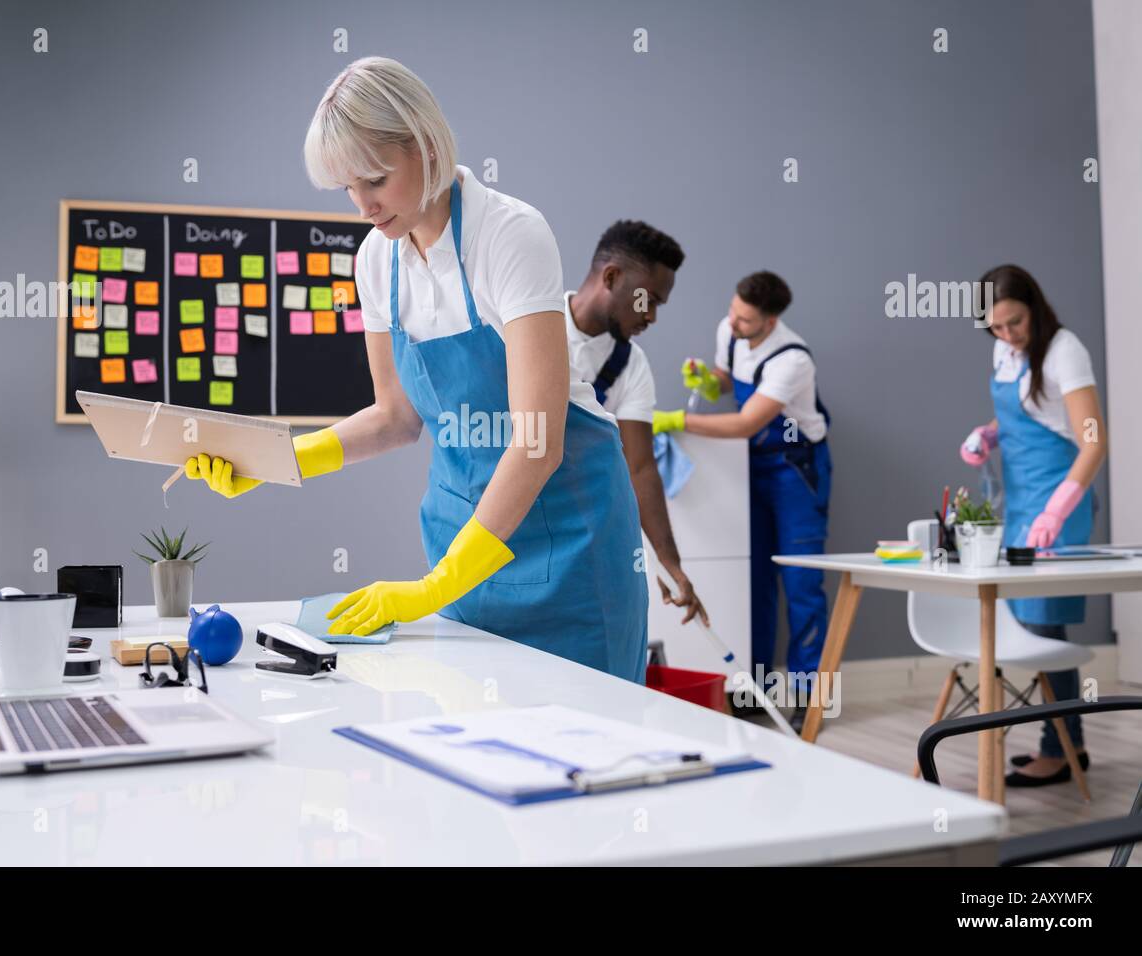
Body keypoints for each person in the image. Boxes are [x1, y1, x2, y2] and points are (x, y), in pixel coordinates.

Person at [183, 57, 648, 682]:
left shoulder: (509, 235)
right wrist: (273, 462)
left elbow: (537, 443)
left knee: (589, 744)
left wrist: (434, 587)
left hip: (571, 540)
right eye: (347, 189)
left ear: (427, 146)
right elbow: (395, 418)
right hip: (466, 542)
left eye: (375, 179)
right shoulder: (376, 261)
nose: (363, 207)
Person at [652, 271, 830, 728]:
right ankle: (755, 690)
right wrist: (709, 382)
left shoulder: (794, 360)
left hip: (796, 471)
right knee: (755, 583)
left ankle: (811, 699)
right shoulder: (730, 330)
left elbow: (746, 423)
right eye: (733, 312)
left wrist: (675, 420)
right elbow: (731, 380)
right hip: (750, 467)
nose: (733, 323)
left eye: (745, 320)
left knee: (801, 586)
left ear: (770, 322)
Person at [961, 264, 1106, 787]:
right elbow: (1032, 413)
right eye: (995, 328)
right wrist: (989, 435)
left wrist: (1058, 509)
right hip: (1021, 502)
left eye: (1015, 323)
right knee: (1030, 622)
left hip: (1060, 502)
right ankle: (1065, 745)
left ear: (1035, 308)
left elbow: (1092, 439)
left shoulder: (1065, 350)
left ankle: (1062, 749)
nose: (1006, 335)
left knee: (1046, 624)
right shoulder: (1003, 349)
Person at [565, 220, 708, 626]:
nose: (654, 317)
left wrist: (670, 563)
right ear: (611, 277)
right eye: (651, 300)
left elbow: (641, 468)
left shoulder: (631, 365)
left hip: (581, 525)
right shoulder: (534, 328)